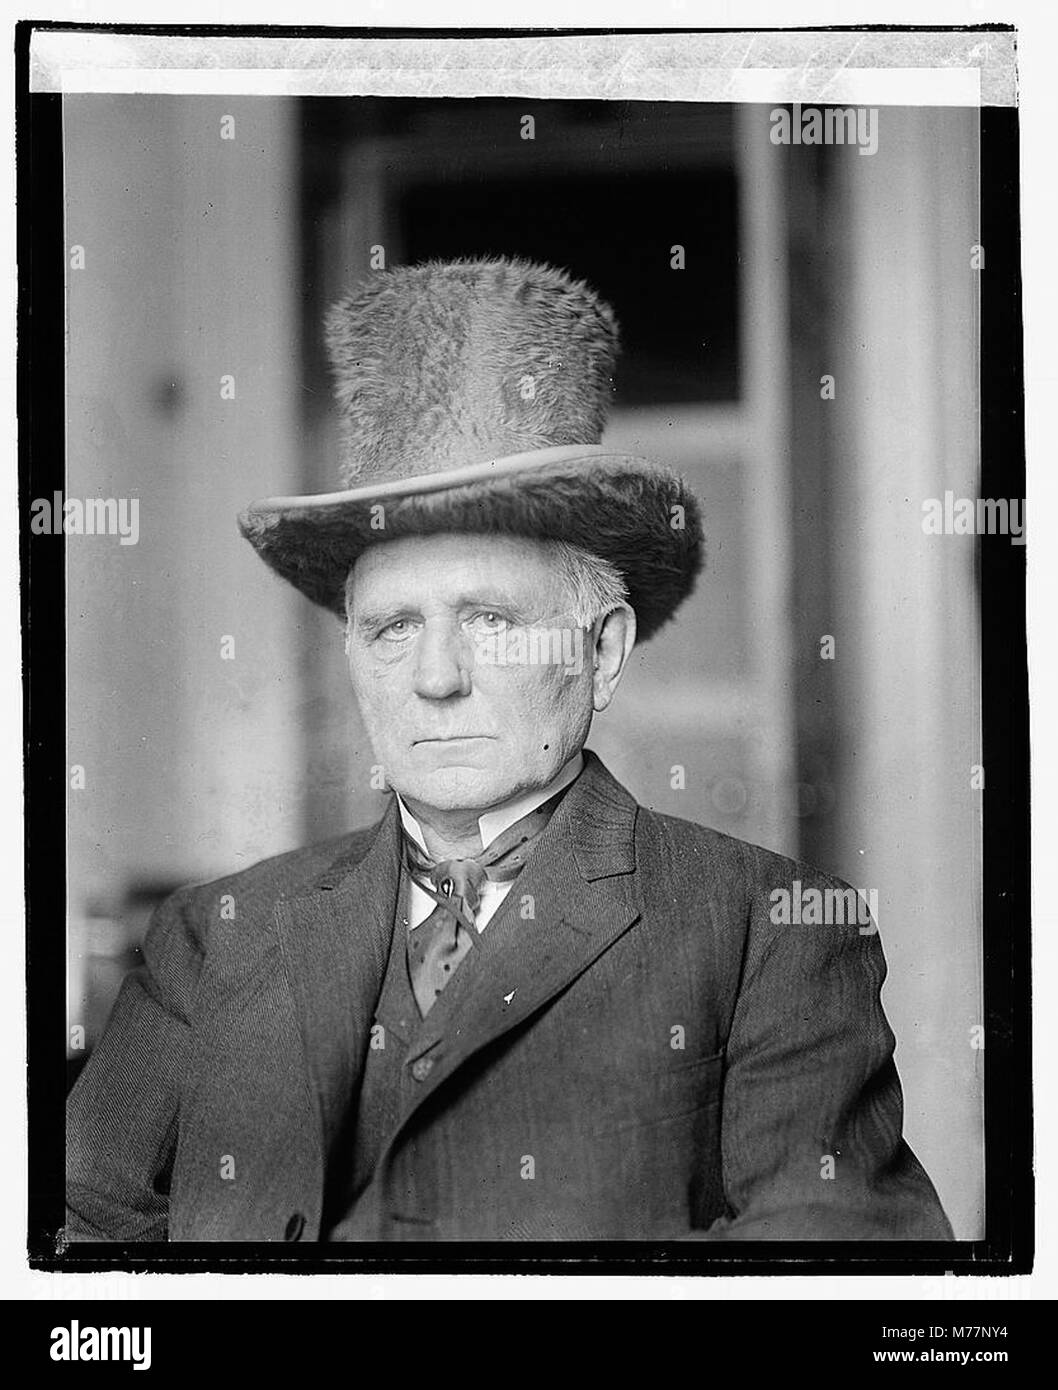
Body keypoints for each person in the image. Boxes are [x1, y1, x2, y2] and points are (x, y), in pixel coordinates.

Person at [65, 257, 953, 1242]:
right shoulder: (214, 935)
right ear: (351, 652)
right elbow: (69, 1249)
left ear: (599, 651)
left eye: (489, 621)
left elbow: (828, 1268)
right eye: (393, 626)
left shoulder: (767, 936)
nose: (434, 676)